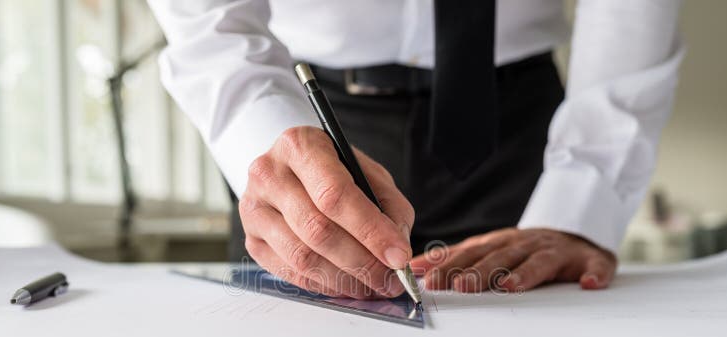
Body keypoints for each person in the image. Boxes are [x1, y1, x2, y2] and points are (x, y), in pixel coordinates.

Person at [149, 0, 683, 298]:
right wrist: (265, 136)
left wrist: (580, 202)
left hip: (519, 130)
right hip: (303, 118)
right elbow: (209, 22)